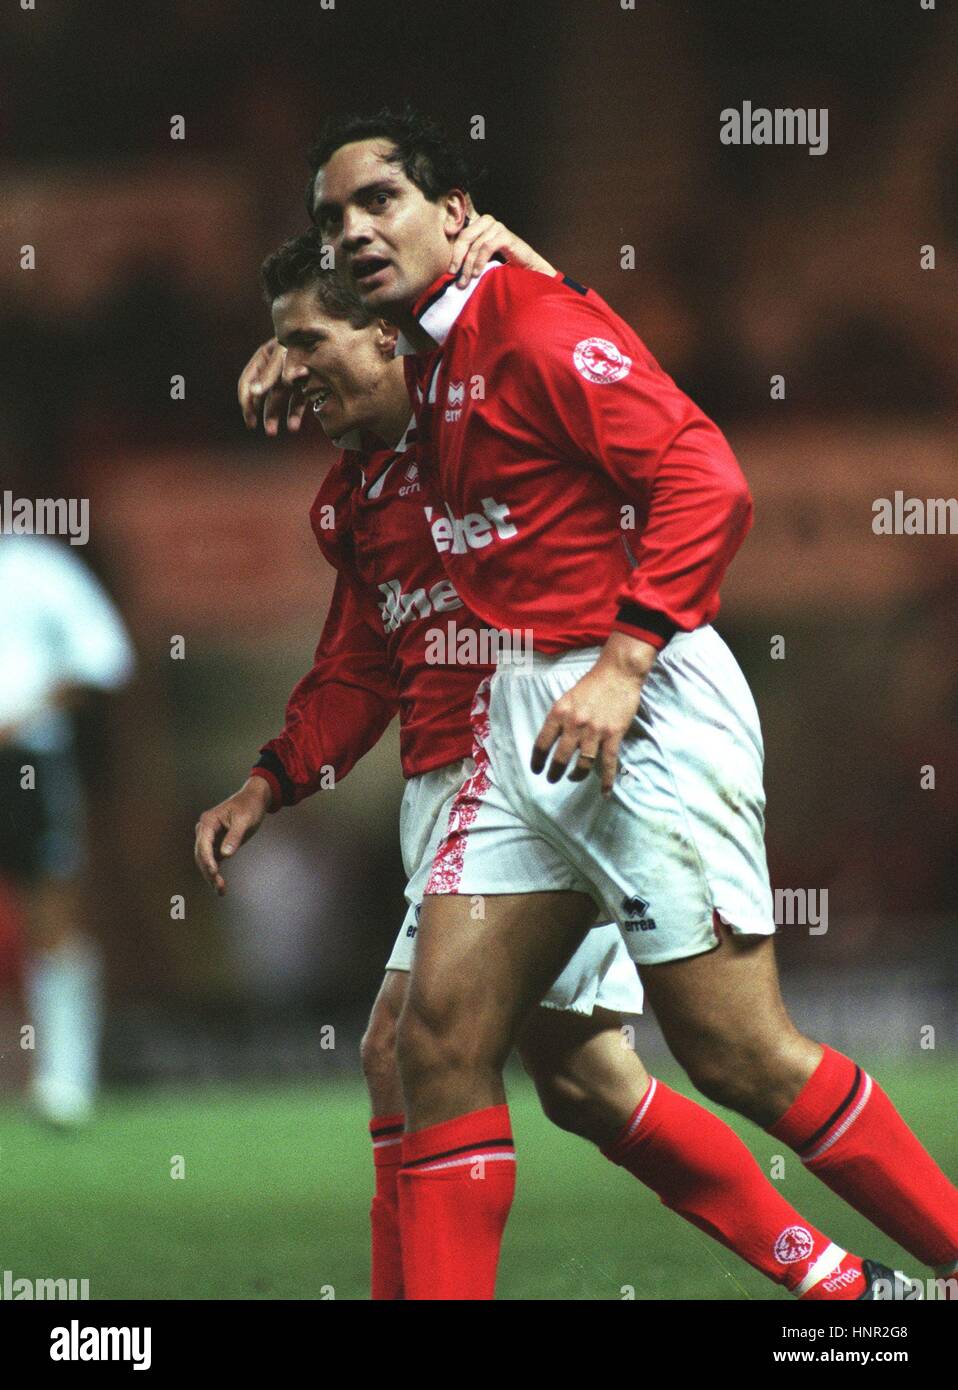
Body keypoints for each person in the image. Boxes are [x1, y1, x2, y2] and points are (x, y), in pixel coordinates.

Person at [304, 106, 958, 1299]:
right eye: (331, 215)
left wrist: (624, 658)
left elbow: (708, 478)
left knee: (736, 1053)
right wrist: (280, 348)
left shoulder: (530, 325)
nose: (350, 228)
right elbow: (353, 374)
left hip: (633, 701)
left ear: (457, 215)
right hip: (522, 712)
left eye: (377, 201)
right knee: (430, 1041)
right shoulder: (442, 343)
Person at [0, 535, 134, 1125]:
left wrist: (22, 714)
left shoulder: (37, 566)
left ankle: (65, 1079)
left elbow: (104, 657)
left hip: (28, 760)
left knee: (50, 910)